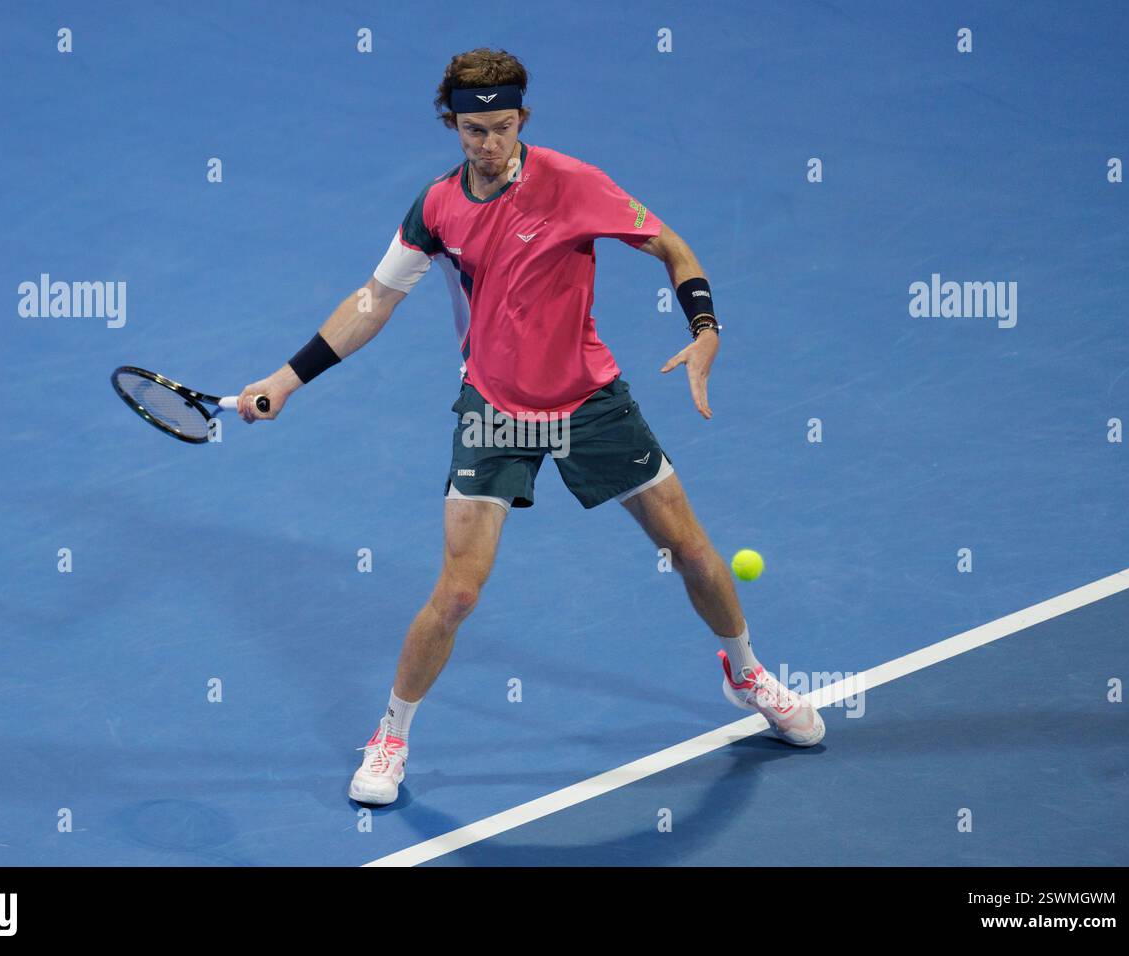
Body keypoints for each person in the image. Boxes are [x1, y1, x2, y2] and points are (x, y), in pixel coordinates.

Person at [236, 48, 824, 806]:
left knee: (693, 553)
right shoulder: (437, 206)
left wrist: (705, 327)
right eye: (474, 130)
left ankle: (746, 674)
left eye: (503, 127)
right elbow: (373, 301)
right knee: (456, 595)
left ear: (525, 119)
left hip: (590, 402)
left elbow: (671, 247)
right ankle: (390, 735)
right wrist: (287, 380)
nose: (489, 144)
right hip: (494, 411)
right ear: (452, 125)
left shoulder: (573, 184)